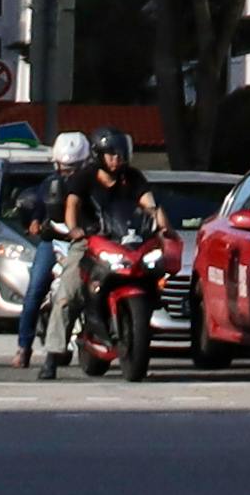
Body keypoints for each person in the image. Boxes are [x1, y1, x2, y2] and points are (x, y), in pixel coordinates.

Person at [45, 133, 163, 377]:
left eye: (120, 154)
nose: (116, 159)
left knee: (156, 273)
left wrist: (163, 226)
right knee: (69, 293)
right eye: (111, 154)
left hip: (126, 242)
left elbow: (150, 205)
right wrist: (75, 229)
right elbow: (72, 207)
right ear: (99, 156)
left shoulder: (134, 177)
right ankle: (52, 355)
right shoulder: (84, 177)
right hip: (89, 241)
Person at [12, 132, 90, 370]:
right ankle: (24, 347)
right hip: (56, 240)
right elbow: (38, 207)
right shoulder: (50, 184)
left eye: (75, 167)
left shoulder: (94, 183)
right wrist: (36, 223)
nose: (69, 173)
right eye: (64, 168)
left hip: (88, 240)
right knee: (35, 289)